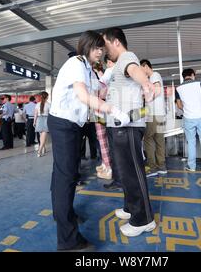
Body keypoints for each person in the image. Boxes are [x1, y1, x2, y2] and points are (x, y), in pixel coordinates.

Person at [48, 30, 130, 251]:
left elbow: (96, 88)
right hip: (64, 124)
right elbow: (85, 96)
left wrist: (109, 78)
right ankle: (68, 242)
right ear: (85, 46)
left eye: (102, 49)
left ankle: (62, 214)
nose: (100, 52)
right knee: (66, 177)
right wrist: (112, 110)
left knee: (65, 174)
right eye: (96, 48)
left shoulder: (87, 68)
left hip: (72, 125)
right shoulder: (76, 64)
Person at [103, 27, 158, 237]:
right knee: (125, 173)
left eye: (106, 44)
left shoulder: (127, 57)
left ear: (115, 41)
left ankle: (143, 220)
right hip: (119, 126)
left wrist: (146, 83)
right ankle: (130, 208)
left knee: (132, 173)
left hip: (128, 127)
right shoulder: (117, 64)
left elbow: (135, 69)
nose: (104, 50)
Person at [175, 69, 201, 173]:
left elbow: (178, 105)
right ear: (192, 75)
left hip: (188, 118)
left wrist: (187, 109)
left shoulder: (178, 88)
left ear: (183, 77)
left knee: (191, 142)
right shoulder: (199, 83)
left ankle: (192, 167)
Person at [140, 59, 167, 178]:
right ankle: (162, 167)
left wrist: (148, 99)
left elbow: (157, 89)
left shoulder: (154, 75)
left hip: (153, 115)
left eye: (141, 69)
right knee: (159, 140)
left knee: (148, 139)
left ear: (145, 66)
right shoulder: (154, 77)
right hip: (160, 115)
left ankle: (152, 168)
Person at [34, 92, 50, 157]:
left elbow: (35, 114)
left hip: (39, 120)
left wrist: (34, 122)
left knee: (41, 137)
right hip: (46, 120)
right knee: (43, 137)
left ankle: (44, 148)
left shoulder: (37, 104)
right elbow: (51, 114)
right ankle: (39, 151)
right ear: (47, 97)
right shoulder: (49, 104)